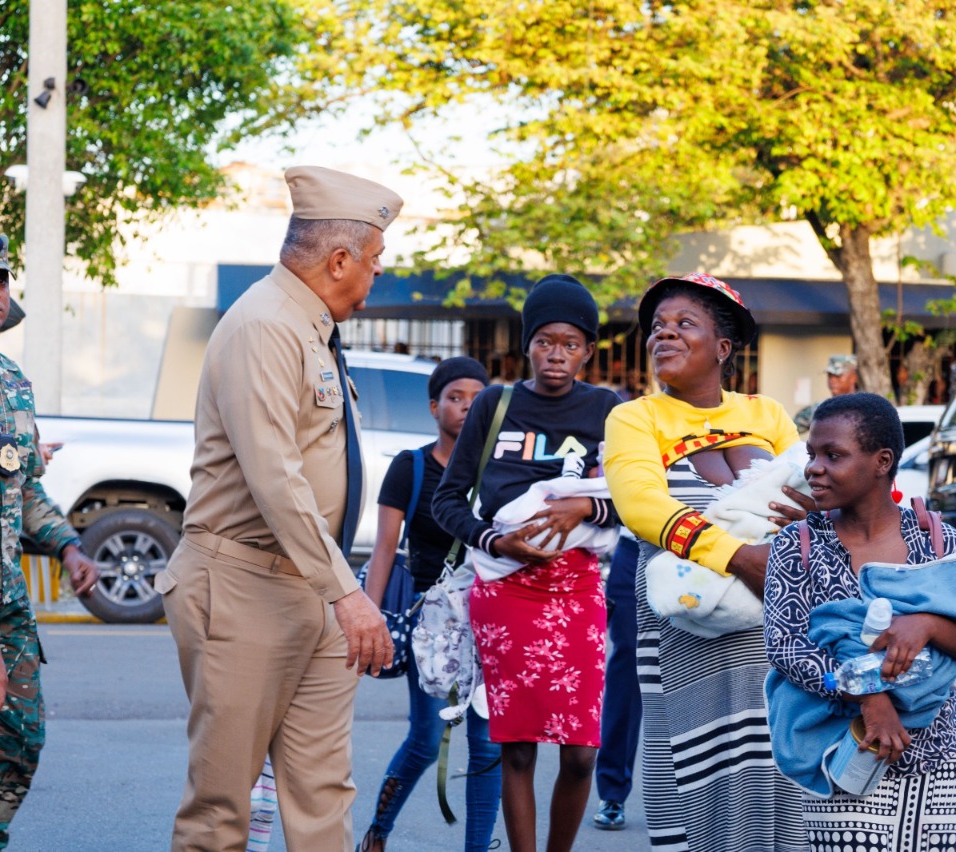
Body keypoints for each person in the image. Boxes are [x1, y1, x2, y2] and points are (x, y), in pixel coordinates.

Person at [157, 166, 400, 851]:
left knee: (322, 796)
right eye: (375, 262)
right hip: (243, 585)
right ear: (340, 259)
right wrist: (347, 593)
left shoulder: (312, 328)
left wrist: (336, 593)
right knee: (222, 806)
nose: (377, 275)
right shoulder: (264, 324)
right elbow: (275, 477)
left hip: (315, 590)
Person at [603, 271, 812, 852]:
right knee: (692, 767)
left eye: (683, 324)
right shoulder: (635, 418)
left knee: (773, 766)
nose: (663, 335)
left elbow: (801, 494)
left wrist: (786, 545)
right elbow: (642, 507)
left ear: (723, 347)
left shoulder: (766, 415)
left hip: (771, 629)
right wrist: (742, 557)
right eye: (657, 327)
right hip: (680, 630)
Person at [763, 393, 956, 851]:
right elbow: (787, 647)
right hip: (846, 750)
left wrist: (929, 626)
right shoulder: (798, 546)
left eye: (833, 455)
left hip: (937, 757)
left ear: (881, 462)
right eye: (812, 454)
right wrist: (868, 695)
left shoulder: (936, 541)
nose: (815, 467)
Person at [433, 274, 621, 852]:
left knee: (582, 751)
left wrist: (584, 505)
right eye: (544, 341)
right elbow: (447, 500)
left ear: (588, 349)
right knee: (514, 746)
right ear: (527, 345)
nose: (556, 355)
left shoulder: (609, 410)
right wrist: (494, 542)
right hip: (505, 590)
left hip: (577, 589)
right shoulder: (495, 403)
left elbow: (636, 502)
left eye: (569, 343)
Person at [0, 224, 99, 848]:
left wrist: (68, 544)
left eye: (1, 278)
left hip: (6, 602)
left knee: (20, 737)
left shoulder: (10, 379)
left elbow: (21, 487)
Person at [359, 356, 501, 852]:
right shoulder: (411, 467)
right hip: (432, 622)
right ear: (433, 406)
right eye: (455, 398)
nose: (465, 407)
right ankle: (377, 833)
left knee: (487, 746)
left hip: (492, 616)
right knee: (423, 740)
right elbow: (383, 548)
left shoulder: (501, 471)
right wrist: (367, 619)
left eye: (476, 399)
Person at [589, 528, 641, 831]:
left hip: (706, 550)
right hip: (636, 550)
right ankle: (612, 792)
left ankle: (696, 799)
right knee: (628, 669)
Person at [793, 354, 858, 434]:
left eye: (838, 375)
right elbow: (788, 433)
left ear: (854, 377)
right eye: (830, 376)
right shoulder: (818, 409)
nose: (832, 380)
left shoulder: (867, 408)